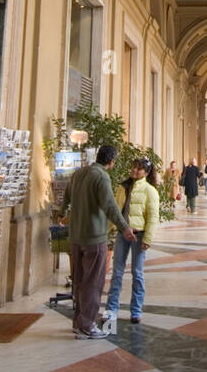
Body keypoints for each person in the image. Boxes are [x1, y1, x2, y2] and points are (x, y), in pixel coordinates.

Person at [63, 145, 136, 339]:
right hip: (94, 238)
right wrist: (124, 227)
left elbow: (66, 195)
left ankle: (78, 321)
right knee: (93, 282)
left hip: (76, 236)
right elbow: (110, 205)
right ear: (111, 162)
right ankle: (87, 325)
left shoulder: (79, 173)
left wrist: (62, 213)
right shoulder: (101, 176)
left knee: (79, 281)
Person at [103, 156, 159, 325]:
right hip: (122, 233)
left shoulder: (150, 191)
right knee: (117, 272)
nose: (135, 171)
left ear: (146, 172)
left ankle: (136, 310)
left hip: (139, 235)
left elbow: (153, 216)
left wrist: (148, 238)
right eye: (133, 167)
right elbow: (115, 209)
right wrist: (110, 228)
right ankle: (111, 309)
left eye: (139, 169)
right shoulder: (122, 187)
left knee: (137, 273)